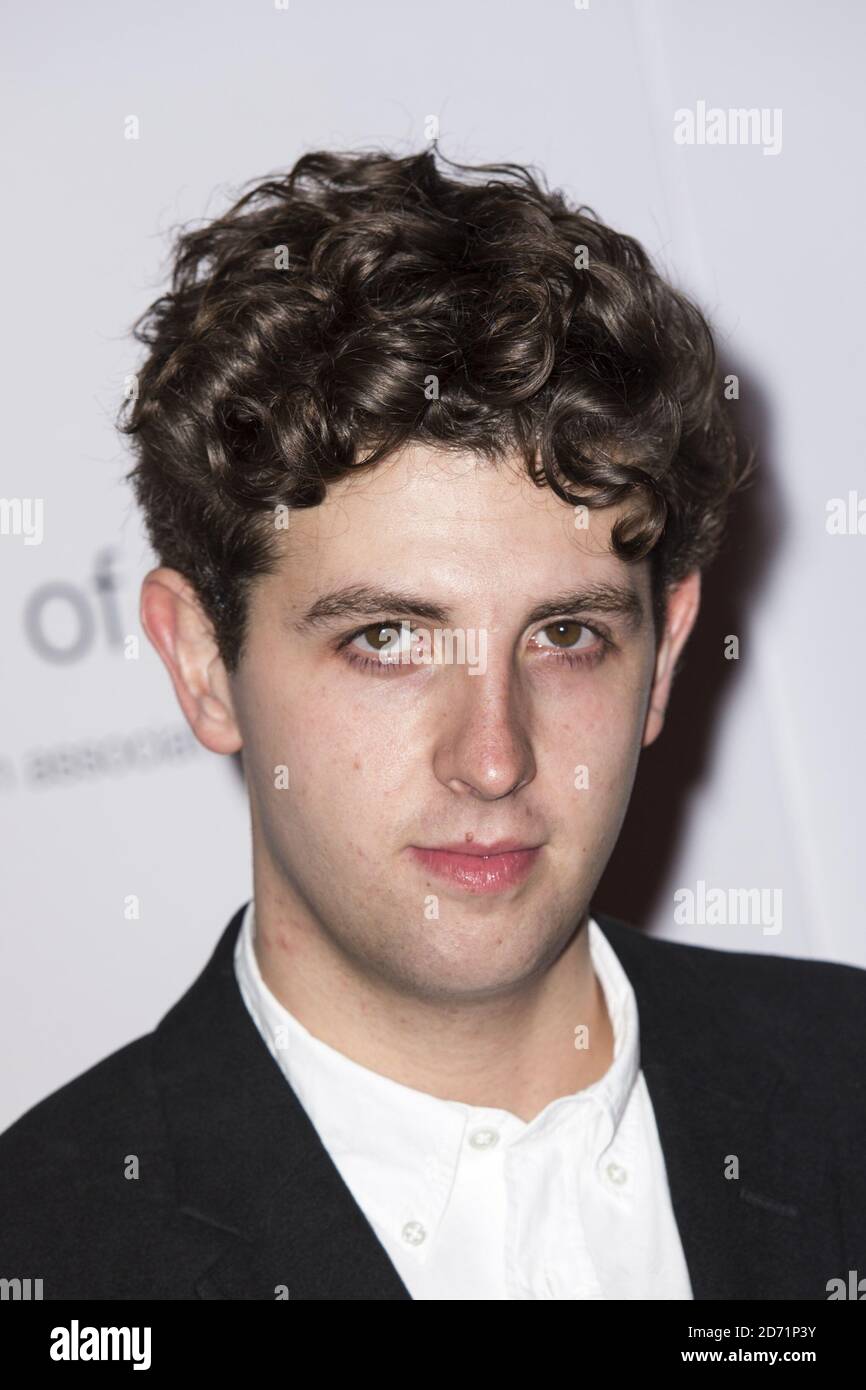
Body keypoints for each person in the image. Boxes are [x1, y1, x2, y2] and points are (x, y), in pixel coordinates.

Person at [1, 147, 863, 1301]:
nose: (492, 758)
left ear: (661, 656)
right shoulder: (48, 1254)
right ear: (203, 661)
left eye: (564, 636)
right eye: (389, 640)